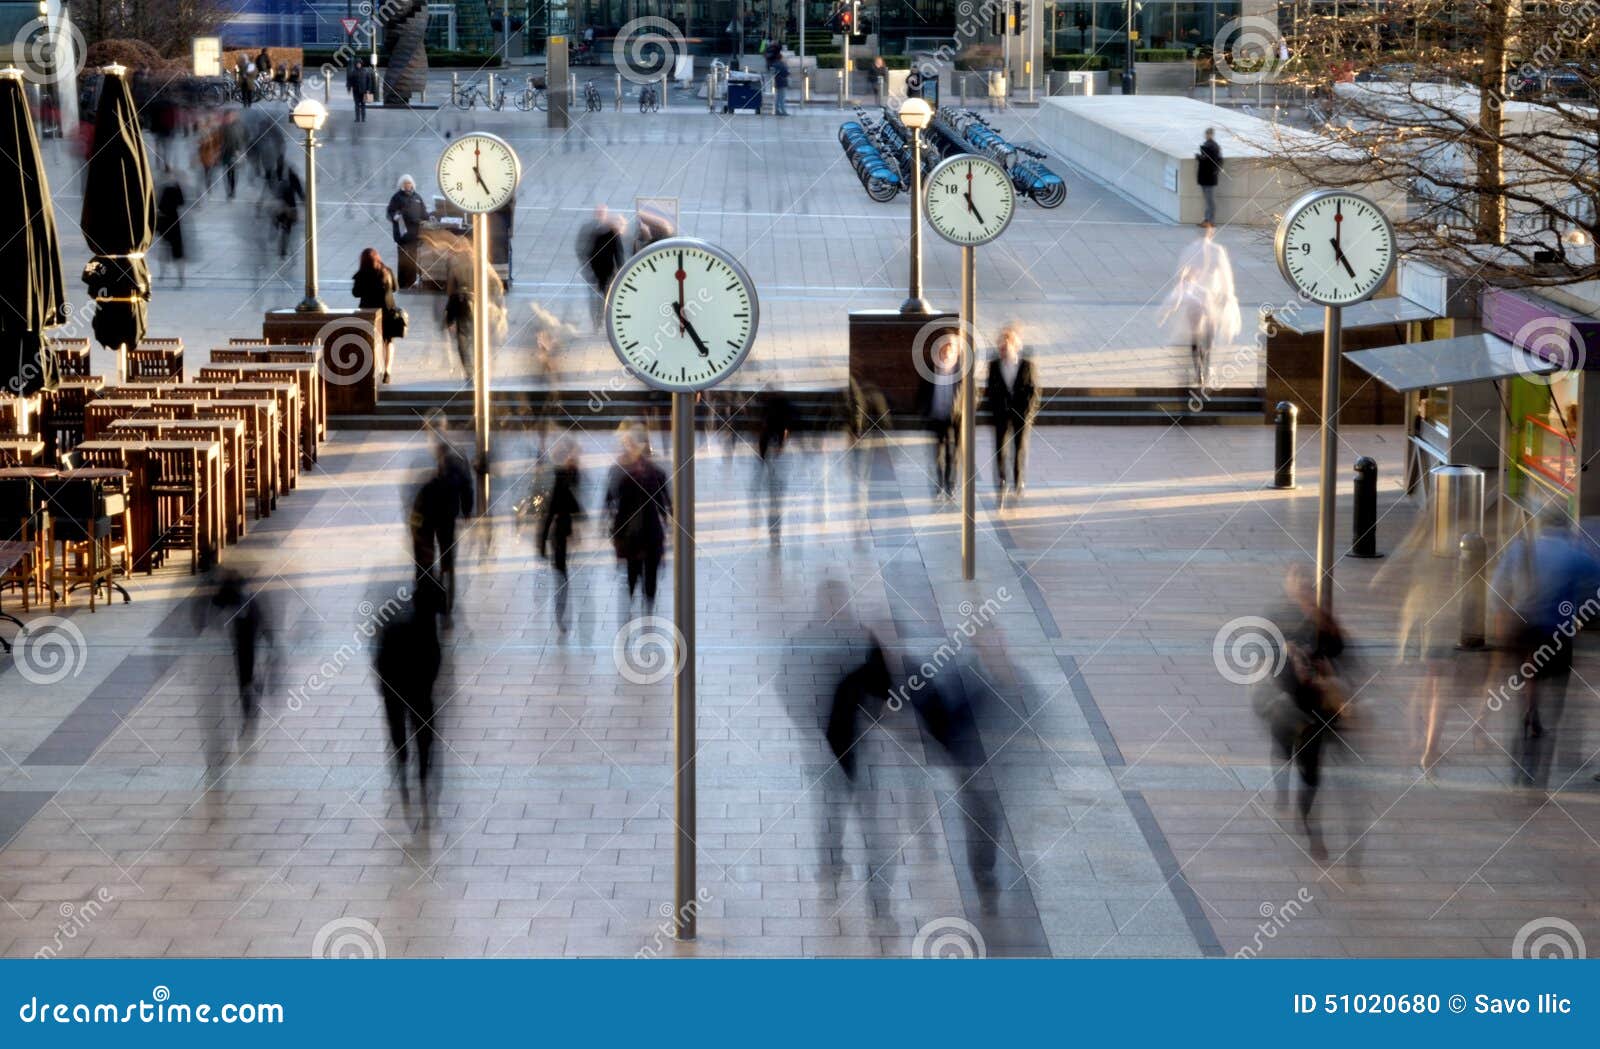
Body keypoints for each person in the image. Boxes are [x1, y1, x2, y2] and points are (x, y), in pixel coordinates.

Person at [1490, 502, 1600, 788]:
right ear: (1566, 526)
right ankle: (1544, 731)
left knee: (1526, 685)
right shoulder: (1575, 554)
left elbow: (1497, 593)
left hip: (1522, 635)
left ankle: (1527, 717)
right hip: (1556, 637)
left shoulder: (1520, 549)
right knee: (1557, 693)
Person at [1255, 564, 1349, 861]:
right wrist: (1286, 652)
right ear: (1288, 584)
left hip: (1313, 708)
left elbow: (1339, 649)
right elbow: (1261, 656)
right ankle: (1282, 792)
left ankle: (1311, 829)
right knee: (1283, 753)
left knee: (1311, 777)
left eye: (1309, 584)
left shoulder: (1319, 617)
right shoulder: (1275, 617)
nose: (1305, 588)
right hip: (1282, 703)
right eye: (1300, 582)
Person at [374, 571, 446, 812]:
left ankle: (403, 757)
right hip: (417, 689)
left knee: (399, 727)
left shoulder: (395, 622)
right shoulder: (425, 633)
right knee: (423, 729)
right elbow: (434, 662)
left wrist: (384, 685)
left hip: (395, 687)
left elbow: (381, 658)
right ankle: (421, 767)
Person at [605, 421, 671, 617]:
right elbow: (609, 500)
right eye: (626, 443)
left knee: (649, 579)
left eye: (632, 443)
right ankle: (634, 609)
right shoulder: (618, 471)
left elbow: (664, 503)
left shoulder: (656, 473)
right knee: (633, 575)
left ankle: (647, 611)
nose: (628, 447)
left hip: (650, 533)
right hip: (631, 535)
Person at [409, 434, 475, 619]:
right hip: (444, 517)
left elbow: (417, 504)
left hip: (437, 517)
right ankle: (442, 599)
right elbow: (467, 488)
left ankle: (436, 595)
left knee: (433, 560)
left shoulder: (439, 475)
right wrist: (466, 510)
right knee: (443, 559)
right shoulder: (456, 468)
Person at [983, 324, 1039, 504]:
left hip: (1021, 414)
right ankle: (1002, 481)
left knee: (1020, 448)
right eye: (1001, 347)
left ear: (1015, 346)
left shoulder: (1026, 366)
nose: (1003, 350)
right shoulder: (993, 365)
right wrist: (994, 408)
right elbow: (990, 390)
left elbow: (1033, 391)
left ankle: (1018, 480)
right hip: (1001, 414)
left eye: (1006, 347)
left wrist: (1029, 412)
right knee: (1000, 449)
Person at [538, 437, 583, 634]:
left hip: (563, 532)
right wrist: (541, 541)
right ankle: (560, 615)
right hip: (559, 534)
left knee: (562, 575)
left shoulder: (568, 474)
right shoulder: (559, 478)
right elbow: (554, 511)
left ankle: (561, 614)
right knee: (561, 575)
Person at [915, 337, 962, 498]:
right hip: (936, 416)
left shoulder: (962, 371)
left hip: (955, 418)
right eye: (944, 350)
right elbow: (922, 391)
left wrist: (963, 410)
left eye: (950, 350)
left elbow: (973, 394)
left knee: (952, 453)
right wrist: (923, 411)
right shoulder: (931, 368)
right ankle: (939, 483)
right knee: (937, 453)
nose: (946, 354)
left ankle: (951, 484)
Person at [353, 247, 401, 383]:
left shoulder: (361, 274)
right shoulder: (386, 271)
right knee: (388, 341)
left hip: (368, 314)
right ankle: (387, 371)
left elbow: (356, 293)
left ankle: (376, 370)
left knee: (372, 342)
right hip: (387, 312)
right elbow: (396, 288)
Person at [577, 205, 626, 330]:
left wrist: (621, 268)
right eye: (599, 213)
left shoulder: (612, 230)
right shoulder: (588, 229)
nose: (600, 215)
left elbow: (618, 251)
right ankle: (596, 321)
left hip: (609, 270)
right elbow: (581, 248)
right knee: (594, 298)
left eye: (602, 213)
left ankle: (606, 321)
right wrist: (585, 264)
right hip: (593, 270)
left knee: (608, 297)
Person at [756, 390, 792, 543]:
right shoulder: (781, 416)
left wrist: (762, 456)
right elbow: (785, 430)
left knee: (773, 497)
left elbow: (763, 435)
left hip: (771, 453)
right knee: (776, 498)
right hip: (776, 455)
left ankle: (774, 531)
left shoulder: (767, 418)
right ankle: (775, 531)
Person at [386, 174, 430, 288]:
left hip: (415, 235)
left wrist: (428, 219)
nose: (407, 185)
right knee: (403, 260)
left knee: (413, 259)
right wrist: (395, 216)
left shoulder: (417, 197)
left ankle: (411, 282)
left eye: (409, 183)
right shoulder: (397, 197)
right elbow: (390, 212)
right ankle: (402, 282)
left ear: (412, 184)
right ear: (401, 185)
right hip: (403, 236)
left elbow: (424, 213)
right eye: (405, 183)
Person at [155, 167, 187, 287]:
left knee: (166, 248)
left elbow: (158, 205)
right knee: (175, 250)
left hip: (167, 221)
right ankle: (178, 276)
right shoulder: (172, 187)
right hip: (172, 221)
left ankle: (166, 273)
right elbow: (181, 202)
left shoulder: (163, 187)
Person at [272, 167, 303, 260]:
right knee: (287, 230)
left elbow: (277, 196)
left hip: (282, 209)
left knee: (283, 228)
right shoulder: (293, 181)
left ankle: (282, 249)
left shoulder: (281, 183)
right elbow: (300, 193)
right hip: (290, 209)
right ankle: (283, 249)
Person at [1196, 127, 1223, 226]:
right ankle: (1207, 220)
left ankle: (1210, 220)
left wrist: (1200, 157)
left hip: (1208, 177)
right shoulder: (1211, 146)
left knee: (1209, 200)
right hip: (1207, 177)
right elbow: (1218, 161)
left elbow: (1210, 160)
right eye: (1207, 134)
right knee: (1208, 200)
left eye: (1208, 134)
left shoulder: (1211, 146)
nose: (1207, 135)